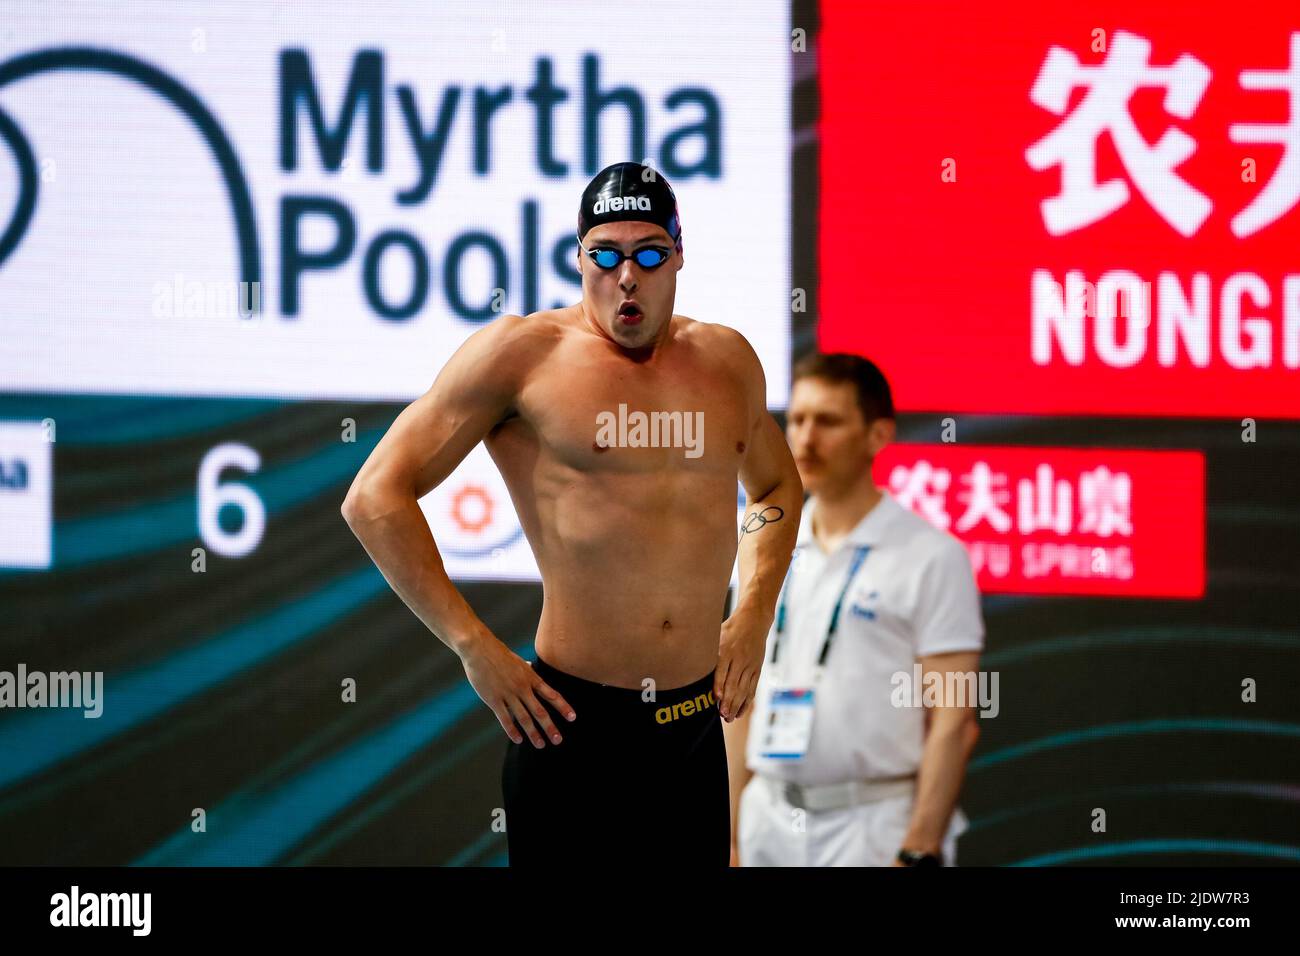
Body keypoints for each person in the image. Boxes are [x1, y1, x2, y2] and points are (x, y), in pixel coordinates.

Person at [341, 161, 802, 867]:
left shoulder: (726, 362)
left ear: (679, 255)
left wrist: (753, 614)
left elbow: (775, 488)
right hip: (570, 728)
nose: (626, 276)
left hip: (692, 727)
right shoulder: (522, 357)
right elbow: (374, 496)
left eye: (649, 254)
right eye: (605, 256)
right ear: (578, 257)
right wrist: (472, 645)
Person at [724, 353, 984, 867]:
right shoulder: (760, 544)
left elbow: (954, 719)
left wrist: (920, 845)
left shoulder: (933, 556)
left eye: (828, 421)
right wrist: (730, 832)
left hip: (873, 823)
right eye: (796, 419)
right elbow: (738, 700)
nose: (805, 438)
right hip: (767, 818)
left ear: (878, 435)